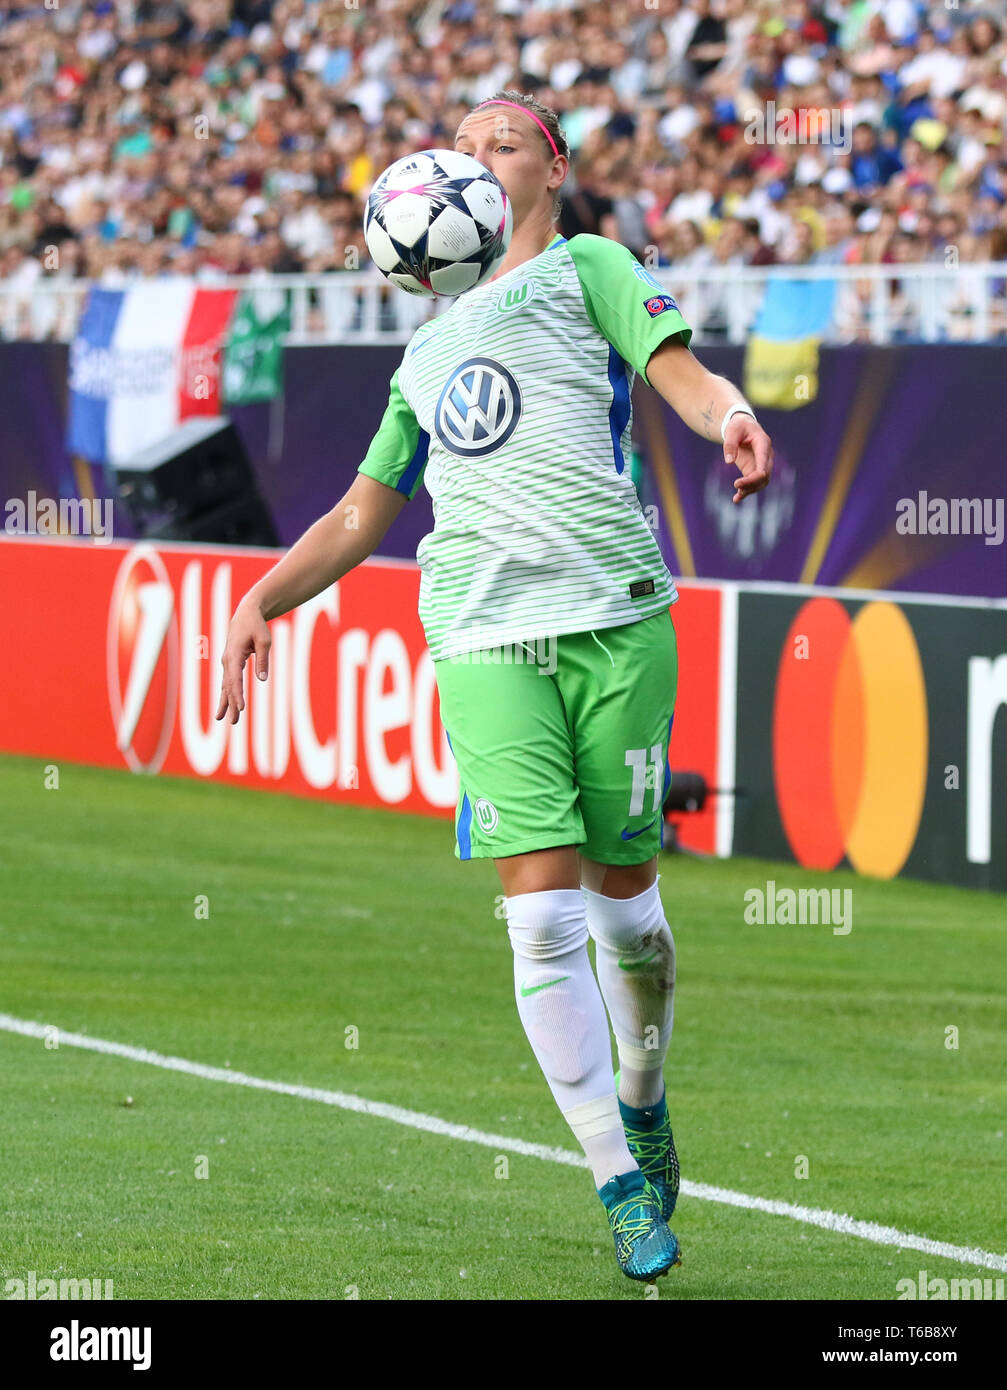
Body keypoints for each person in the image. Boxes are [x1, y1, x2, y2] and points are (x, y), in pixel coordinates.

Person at [216, 89, 773, 1284]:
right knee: (540, 915)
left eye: (501, 143)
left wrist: (730, 415)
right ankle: (617, 1185)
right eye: (457, 147)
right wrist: (262, 597)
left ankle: (643, 1092)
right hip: (477, 635)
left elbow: (674, 371)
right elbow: (363, 512)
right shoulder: (421, 353)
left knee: (626, 908)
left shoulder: (588, 268)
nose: (473, 161)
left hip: (616, 621)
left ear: (550, 168)